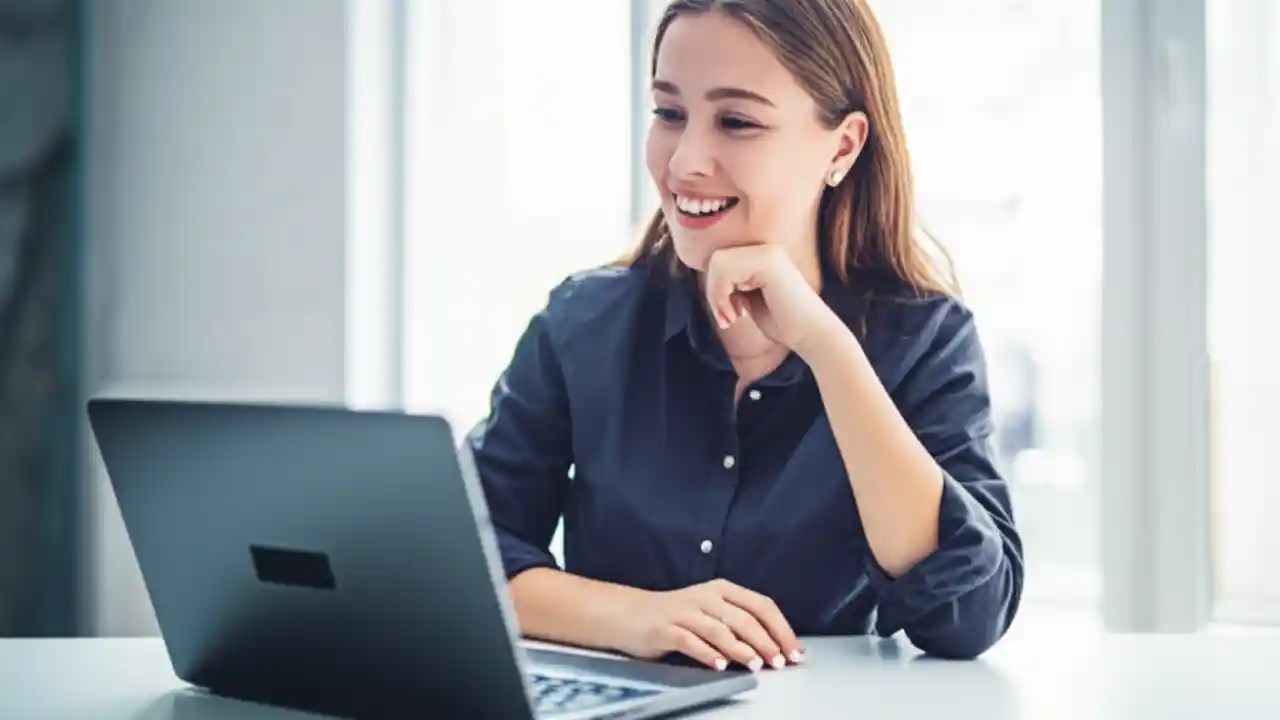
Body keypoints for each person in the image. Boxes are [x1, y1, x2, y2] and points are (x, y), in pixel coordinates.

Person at [467, 0, 1023, 670]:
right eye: (669, 113)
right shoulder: (584, 324)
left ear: (841, 147)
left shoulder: (926, 340)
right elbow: (462, 557)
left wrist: (828, 348)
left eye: (736, 121)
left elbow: (967, 613)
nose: (685, 163)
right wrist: (637, 617)